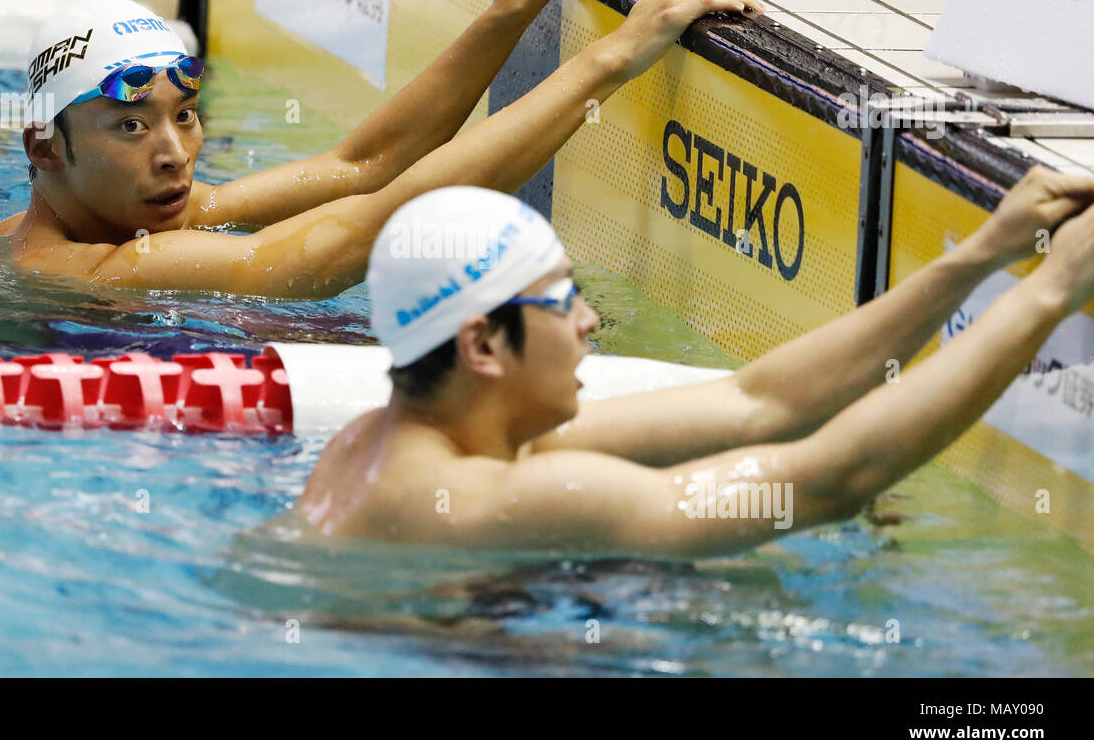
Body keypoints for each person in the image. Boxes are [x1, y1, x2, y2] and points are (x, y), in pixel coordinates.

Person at [0, 0, 761, 297]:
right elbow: (347, 244)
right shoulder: (92, 268)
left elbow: (361, 168)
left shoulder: (135, 211)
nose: (174, 152)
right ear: (45, 148)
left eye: (183, 113)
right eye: (129, 124)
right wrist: (608, 60)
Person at [299, 172, 1094, 558]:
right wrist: (1047, 293)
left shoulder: (406, 441)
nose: (590, 320)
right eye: (563, 300)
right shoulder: (490, 493)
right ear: (481, 346)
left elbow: (758, 405)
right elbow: (822, 483)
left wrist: (984, 255)